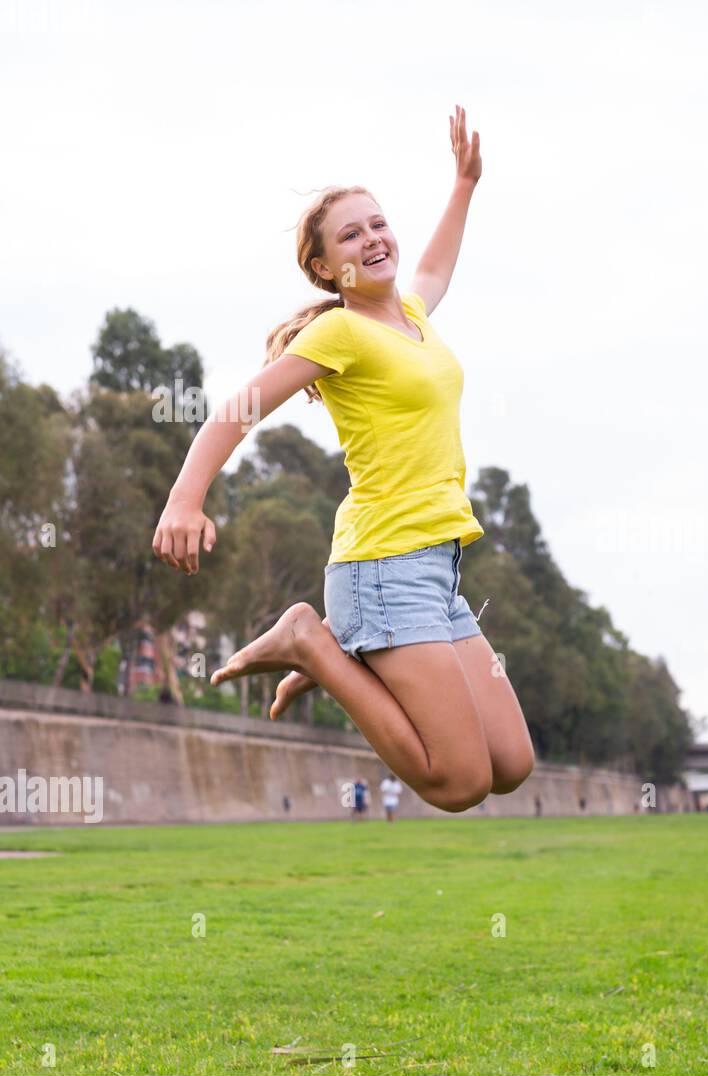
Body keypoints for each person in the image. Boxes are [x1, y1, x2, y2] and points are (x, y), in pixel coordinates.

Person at [151, 106, 536, 816]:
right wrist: (185, 497)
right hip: (384, 568)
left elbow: (435, 266)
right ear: (329, 269)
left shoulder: (411, 317)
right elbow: (240, 407)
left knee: (512, 762)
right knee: (459, 783)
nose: (373, 238)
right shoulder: (341, 332)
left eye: (378, 222)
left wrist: (464, 184)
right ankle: (314, 643)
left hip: (435, 567)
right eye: (351, 235)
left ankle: (327, 649)